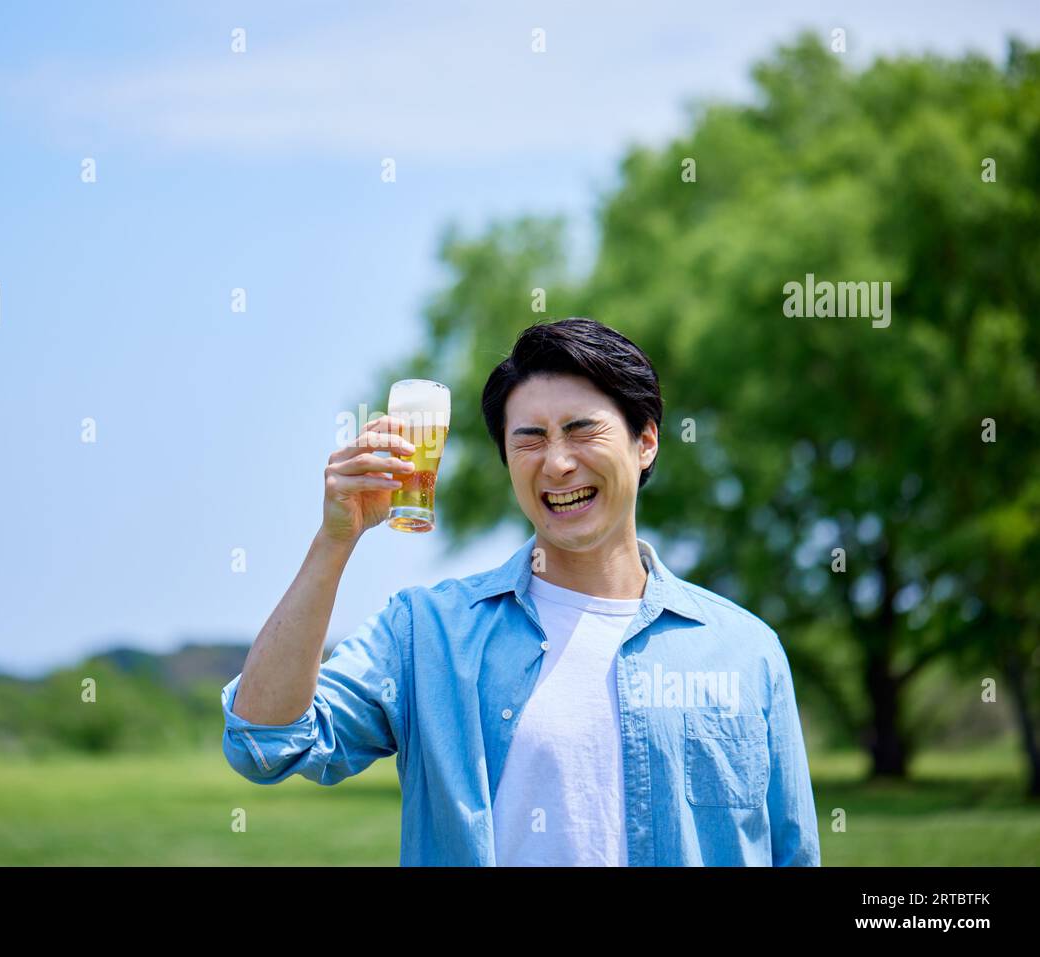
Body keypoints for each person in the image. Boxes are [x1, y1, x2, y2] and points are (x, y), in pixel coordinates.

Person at [220, 317, 821, 866]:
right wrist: (334, 540)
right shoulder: (427, 633)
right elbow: (265, 743)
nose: (557, 463)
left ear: (646, 442)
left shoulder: (746, 649)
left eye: (582, 430)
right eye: (529, 440)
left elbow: (792, 853)